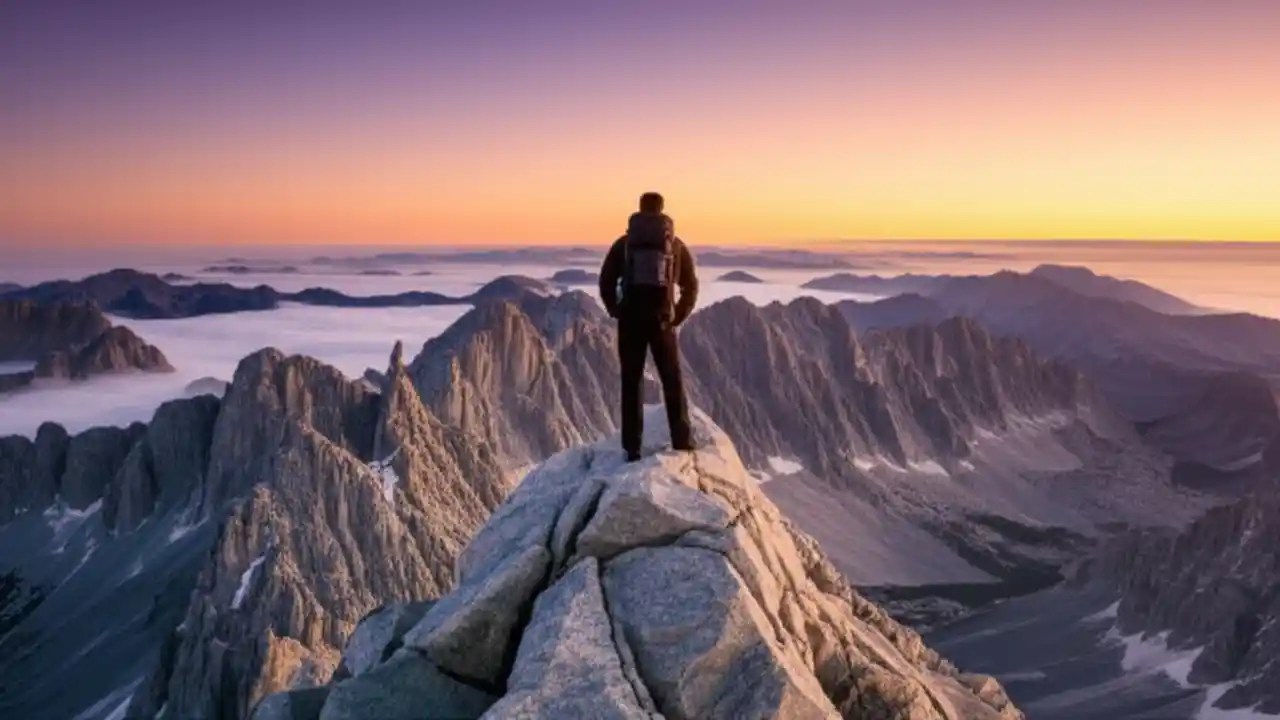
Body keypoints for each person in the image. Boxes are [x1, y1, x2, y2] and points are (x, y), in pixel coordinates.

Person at [598, 191, 698, 461]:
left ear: (639, 210)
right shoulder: (674, 246)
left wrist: (616, 310)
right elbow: (691, 285)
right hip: (662, 321)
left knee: (632, 382)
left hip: (630, 321)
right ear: (662, 211)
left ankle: (632, 449)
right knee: (672, 380)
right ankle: (682, 440)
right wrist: (678, 316)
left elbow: (605, 281)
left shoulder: (625, 244)